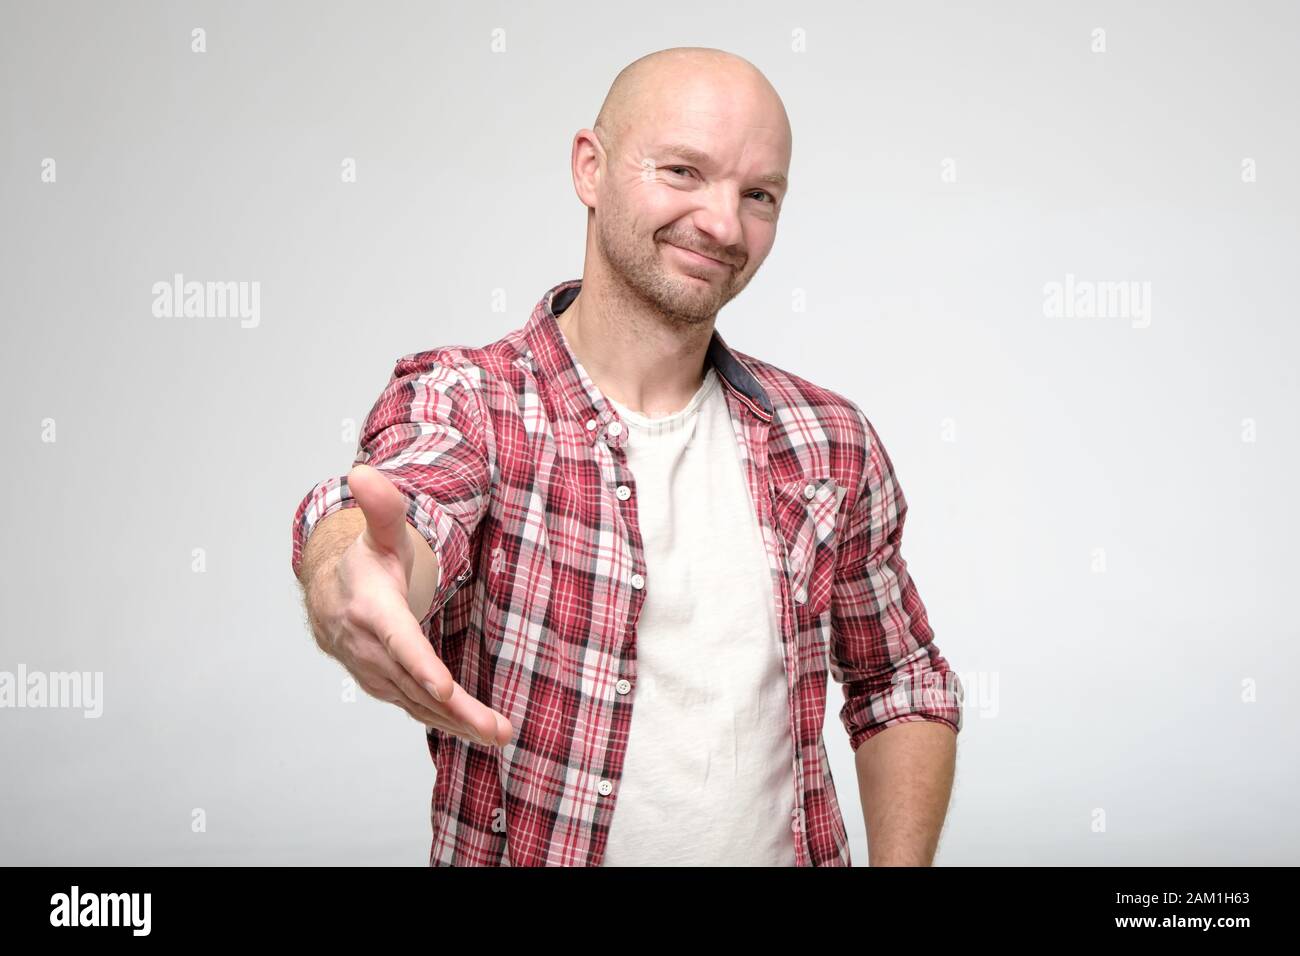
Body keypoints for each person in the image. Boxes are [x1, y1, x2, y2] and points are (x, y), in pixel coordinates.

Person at [290, 46, 963, 867]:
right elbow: (402, 505)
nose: (723, 224)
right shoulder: (471, 400)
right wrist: (353, 575)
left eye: (759, 195)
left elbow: (902, 681)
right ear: (590, 168)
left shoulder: (828, 442)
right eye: (683, 171)